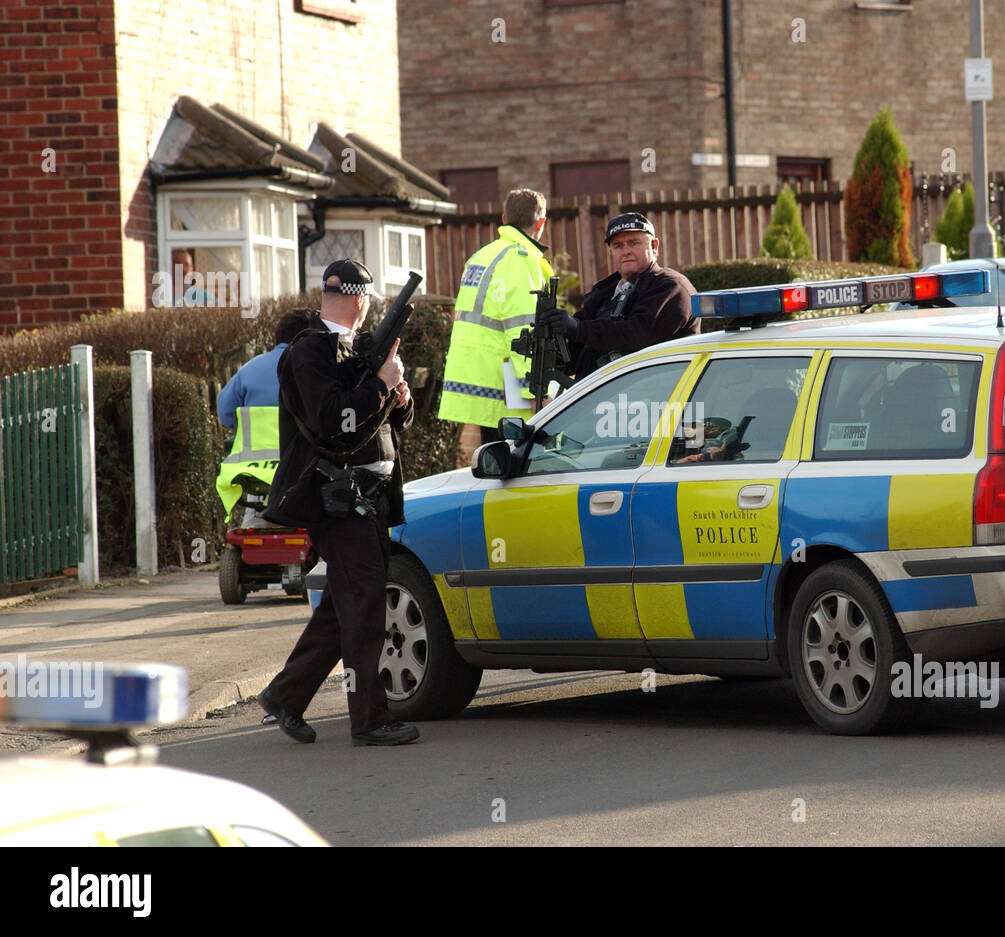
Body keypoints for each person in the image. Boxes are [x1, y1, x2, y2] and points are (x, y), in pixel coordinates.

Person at [258, 258, 419, 747]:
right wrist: (381, 384)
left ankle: (286, 696)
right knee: (366, 608)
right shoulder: (308, 352)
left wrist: (399, 394)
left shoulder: (353, 348)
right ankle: (370, 719)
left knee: (342, 607)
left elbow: (391, 423)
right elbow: (334, 421)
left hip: (367, 498)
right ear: (359, 299)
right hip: (338, 499)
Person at [438, 188, 553, 442]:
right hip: (506, 389)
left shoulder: (480, 257)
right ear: (541, 223)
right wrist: (533, 393)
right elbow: (523, 333)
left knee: (493, 466)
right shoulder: (520, 260)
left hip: (478, 382)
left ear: (503, 218)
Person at [539, 212, 698, 382]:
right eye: (618, 246)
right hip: (604, 398)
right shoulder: (604, 292)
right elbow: (578, 353)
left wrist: (579, 329)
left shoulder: (671, 287)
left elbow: (639, 334)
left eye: (633, 243)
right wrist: (553, 339)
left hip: (658, 397)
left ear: (654, 245)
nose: (626, 251)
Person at [214, 309, 312, 526]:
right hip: (302, 468)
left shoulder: (249, 369)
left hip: (253, 468)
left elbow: (225, 413)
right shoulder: (314, 371)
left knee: (253, 514)